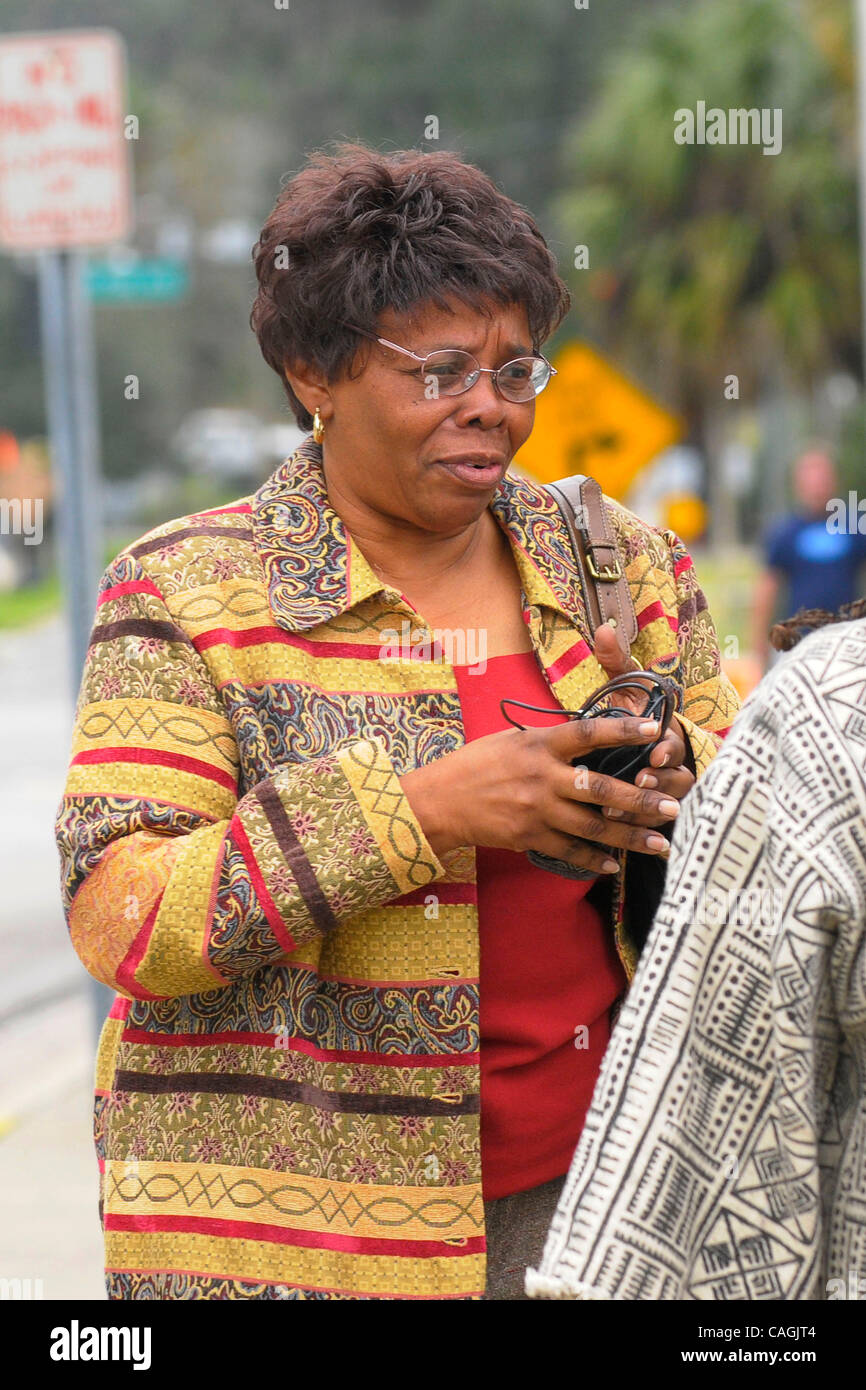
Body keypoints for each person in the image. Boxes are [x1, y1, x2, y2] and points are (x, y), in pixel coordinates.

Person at [54, 142, 739, 1302]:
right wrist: (419, 811)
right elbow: (121, 913)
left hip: (598, 1206)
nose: (488, 406)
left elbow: (754, 829)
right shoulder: (186, 591)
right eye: (439, 369)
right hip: (299, 1247)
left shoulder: (620, 566)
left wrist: (670, 774)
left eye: (516, 371)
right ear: (313, 371)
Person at [527, 598, 866, 1301]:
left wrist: (699, 788)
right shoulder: (831, 696)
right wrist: (424, 809)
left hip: (590, 1168)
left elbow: (728, 1076)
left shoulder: (830, 693)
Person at [751, 445, 866, 671]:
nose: (817, 485)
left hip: (848, 644)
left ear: (834, 480)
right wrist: (759, 651)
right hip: (799, 646)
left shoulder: (855, 527)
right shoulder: (784, 533)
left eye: (822, 476)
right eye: (810, 477)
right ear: (798, 484)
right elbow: (767, 591)